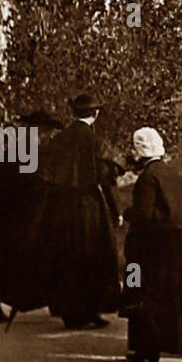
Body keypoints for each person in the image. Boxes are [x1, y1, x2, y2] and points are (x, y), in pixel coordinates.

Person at [121, 127, 182, 362]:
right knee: (178, 294)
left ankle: (147, 346)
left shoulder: (148, 178)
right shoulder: (169, 172)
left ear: (140, 150)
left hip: (158, 243)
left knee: (146, 291)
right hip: (181, 240)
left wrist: (126, 214)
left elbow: (144, 214)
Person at [38, 92, 121, 329]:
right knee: (92, 256)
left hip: (62, 206)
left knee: (67, 257)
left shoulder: (59, 139)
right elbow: (108, 178)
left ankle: (70, 312)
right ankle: (91, 310)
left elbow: (46, 173)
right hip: (89, 207)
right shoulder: (95, 142)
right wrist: (116, 209)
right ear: (95, 114)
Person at [0, 109, 61, 324]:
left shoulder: (19, 147)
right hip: (20, 214)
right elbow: (28, 183)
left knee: (1, 259)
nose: (47, 135)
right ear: (39, 129)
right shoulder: (28, 150)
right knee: (19, 257)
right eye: (46, 130)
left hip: (9, 213)